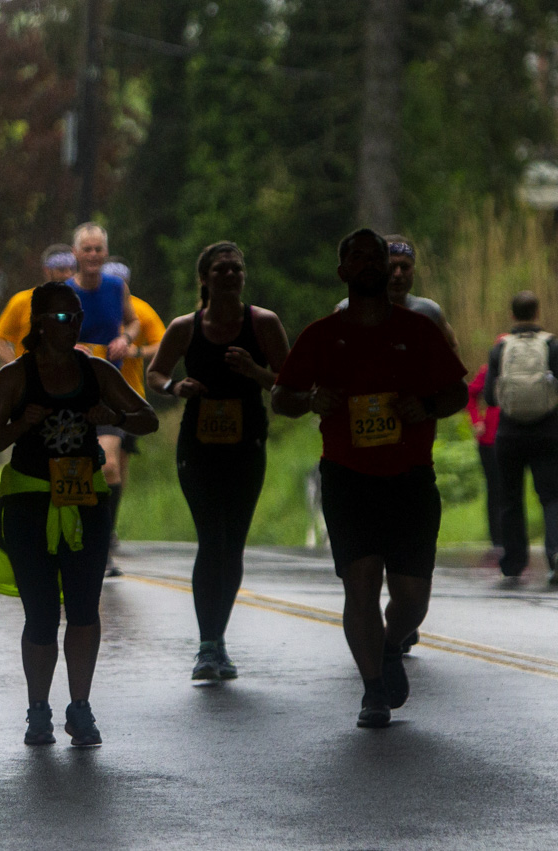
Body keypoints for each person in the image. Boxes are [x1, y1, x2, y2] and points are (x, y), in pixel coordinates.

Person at [271, 228, 467, 729]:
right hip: (348, 477)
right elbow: (283, 398)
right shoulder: (321, 334)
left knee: (411, 599)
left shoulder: (418, 329)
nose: (367, 264)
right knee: (360, 585)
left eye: (374, 256)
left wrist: (423, 406)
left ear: (387, 266)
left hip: (408, 478)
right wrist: (310, 400)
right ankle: (373, 691)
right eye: (355, 257)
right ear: (343, 272)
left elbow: (456, 395)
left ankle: (389, 645)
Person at [0, 282, 157, 747]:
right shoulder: (15, 376)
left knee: (83, 608)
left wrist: (109, 413)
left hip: (85, 504)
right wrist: (20, 425)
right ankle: (38, 711)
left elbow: (147, 419)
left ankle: (80, 707)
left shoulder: (94, 371)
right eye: (58, 318)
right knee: (39, 613)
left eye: (75, 317)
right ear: (37, 321)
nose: (69, 325)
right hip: (29, 504)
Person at [147, 242, 289, 681]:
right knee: (212, 537)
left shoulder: (263, 324)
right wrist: (175, 388)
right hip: (199, 446)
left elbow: (292, 384)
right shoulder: (186, 327)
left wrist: (255, 372)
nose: (230, 276)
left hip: (247, 444)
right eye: (221, 269)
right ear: (205, 279)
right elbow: (154, 373)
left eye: (237, 269)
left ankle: (218, 638)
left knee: (233, 541)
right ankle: (209, 645)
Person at [65, 223, 141, 576]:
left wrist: (125, 338)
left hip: (108, 390)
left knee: (109, 465)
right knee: (77, 469)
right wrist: (69, 346)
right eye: (87, 249)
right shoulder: (64, 292)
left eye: (99, 249)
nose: (93, 255)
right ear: (76, 253)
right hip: (71, 392)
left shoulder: (116, 287)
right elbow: (46, 336)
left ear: (105, 253)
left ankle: (102, 541)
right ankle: (74, 539)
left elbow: (134, 322)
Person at [483, 292, 558, 585]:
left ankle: (513, 563)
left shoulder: (500, 348)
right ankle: (554, 551)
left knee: (510, 499)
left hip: (509, 434)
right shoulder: (551, 345)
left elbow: (490, 396)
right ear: (537, 312)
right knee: (552, 497)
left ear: (513, 315)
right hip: (548, 433)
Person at [103, 257, 166, 556]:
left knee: (119, 462)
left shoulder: (139, 311)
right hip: (98, 395)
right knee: (107, 461)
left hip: (131, 394)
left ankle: (109, 522)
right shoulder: (96, 305)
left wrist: (136, 351)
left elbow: (163, 342)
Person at [336, 236, 459, 351]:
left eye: (405, 267)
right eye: (391, 267)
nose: (398, 274)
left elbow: (451, 347)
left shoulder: (429, 312)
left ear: (414, 271)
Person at [0, 244, 75, 366]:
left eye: (72, 269)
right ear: (47, 270)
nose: (68, 275)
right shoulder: (22, 301)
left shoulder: (81, 302)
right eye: (61, 270)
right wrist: (17, 369)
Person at [467, 356, 504, 567]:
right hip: (490, 437)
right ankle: (498, 538)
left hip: (504, 437)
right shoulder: (488, 370)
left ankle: (505, 537)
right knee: (495, 487)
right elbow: (470, 394)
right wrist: (476, 420)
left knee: (503, 488)